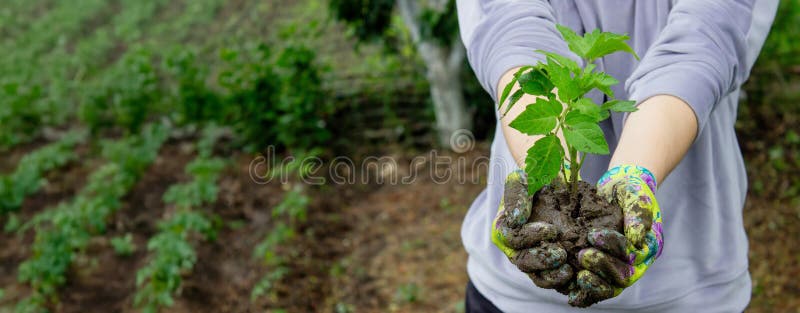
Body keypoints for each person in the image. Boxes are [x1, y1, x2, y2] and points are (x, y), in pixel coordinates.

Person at [456, 1, 779, 312]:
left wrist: (635, 174)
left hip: (693, 290)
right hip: (515, 297)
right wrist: (545, 175)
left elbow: (704, 42)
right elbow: (512, 30)